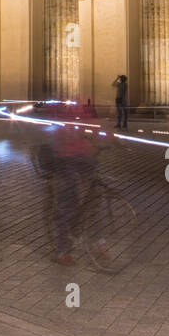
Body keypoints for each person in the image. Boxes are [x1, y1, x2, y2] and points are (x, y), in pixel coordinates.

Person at [46, 99, 102, 266]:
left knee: (96, 197)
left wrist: (109, 138)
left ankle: (98, 241)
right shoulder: (57, 107)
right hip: (64, 157)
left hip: (82, 155)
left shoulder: (81, 106)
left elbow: (94, 124)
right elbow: (54, 131)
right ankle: (62, 250)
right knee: (67, 202)